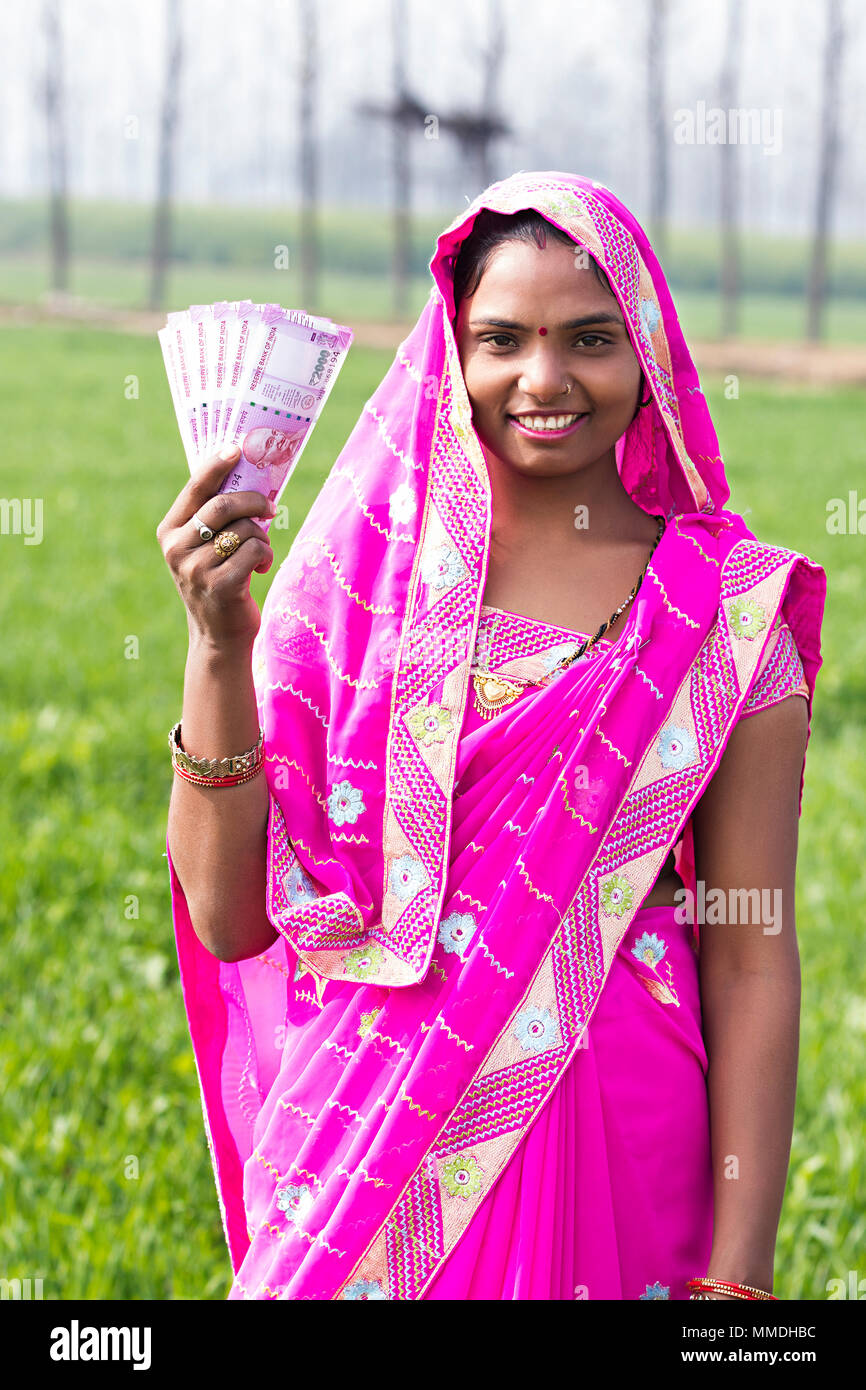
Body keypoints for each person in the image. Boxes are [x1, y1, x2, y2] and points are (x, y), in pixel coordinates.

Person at [157, 171, 826, 1301]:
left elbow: (749, 953)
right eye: (501, 338)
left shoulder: (724, 609)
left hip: (622, 1135)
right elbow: (230, 921)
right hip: (361, 1134)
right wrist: (221, 645)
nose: (543, 379)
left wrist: (738, 1285)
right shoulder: (352, 599)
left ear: (648, 354)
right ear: (449, 357)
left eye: (589, 338)